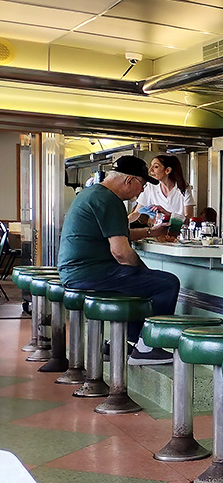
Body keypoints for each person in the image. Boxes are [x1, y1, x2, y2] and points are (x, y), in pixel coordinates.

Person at [57, 155, 180, 365]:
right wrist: (143, 271)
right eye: (141, 185)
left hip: (76, 272)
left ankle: (126, 342)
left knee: (139, 284)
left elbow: (117, 234)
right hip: (89, 272)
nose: (141, 191)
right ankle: (147, 347)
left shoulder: (94, 194)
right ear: (129, 181)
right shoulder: (109, 200)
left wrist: (150, 232)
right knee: (166, 283)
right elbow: (121, 252)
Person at [128, 154, 195, 225]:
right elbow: (136, 213)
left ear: (167, 170)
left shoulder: (184, 189)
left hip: (179, 233)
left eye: (156, 167)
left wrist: (167, 214)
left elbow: (188, 219)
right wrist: (122, 223)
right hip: (158, 233)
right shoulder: (150, 187)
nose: (150, 170)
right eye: (151, 166)